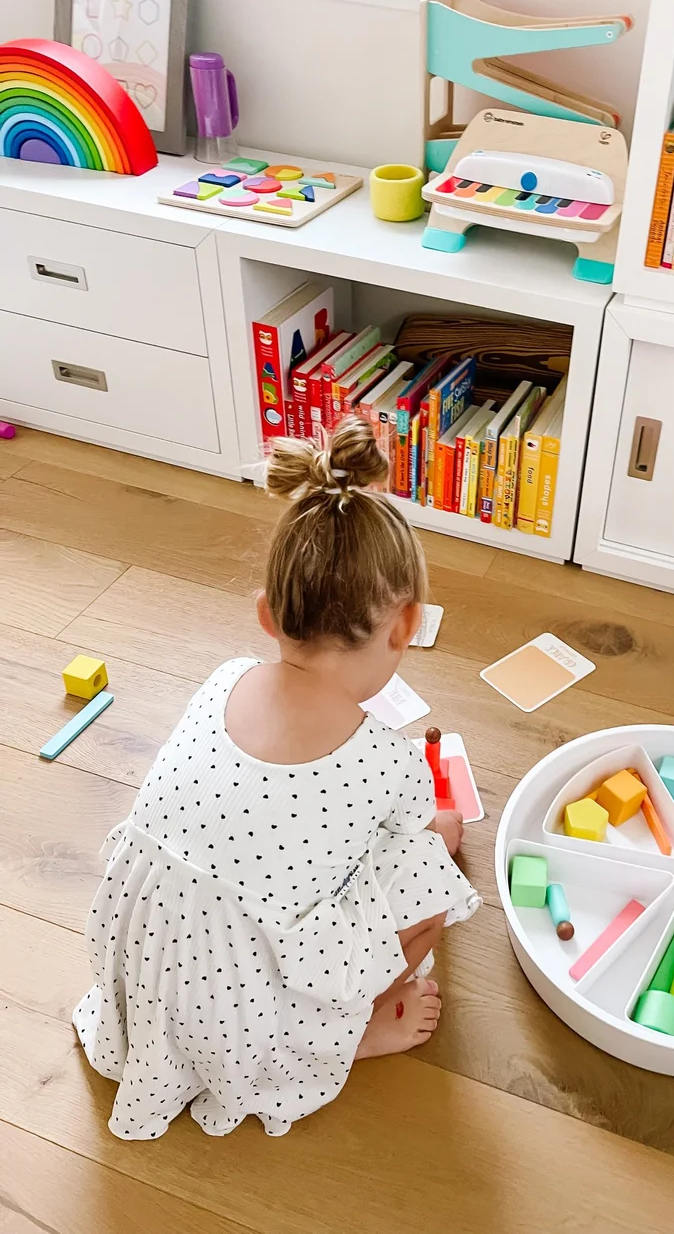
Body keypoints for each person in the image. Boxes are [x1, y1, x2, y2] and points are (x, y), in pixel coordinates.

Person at [73, 416, 480, 1139]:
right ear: (406, 625)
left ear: (267, 613)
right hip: (241, 1011)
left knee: (374, 861)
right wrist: (443, 833)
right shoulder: (385, 758)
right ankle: (347, 1040)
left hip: (145, 967)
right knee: (432, 890)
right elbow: (422, 845)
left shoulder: (225, 676)